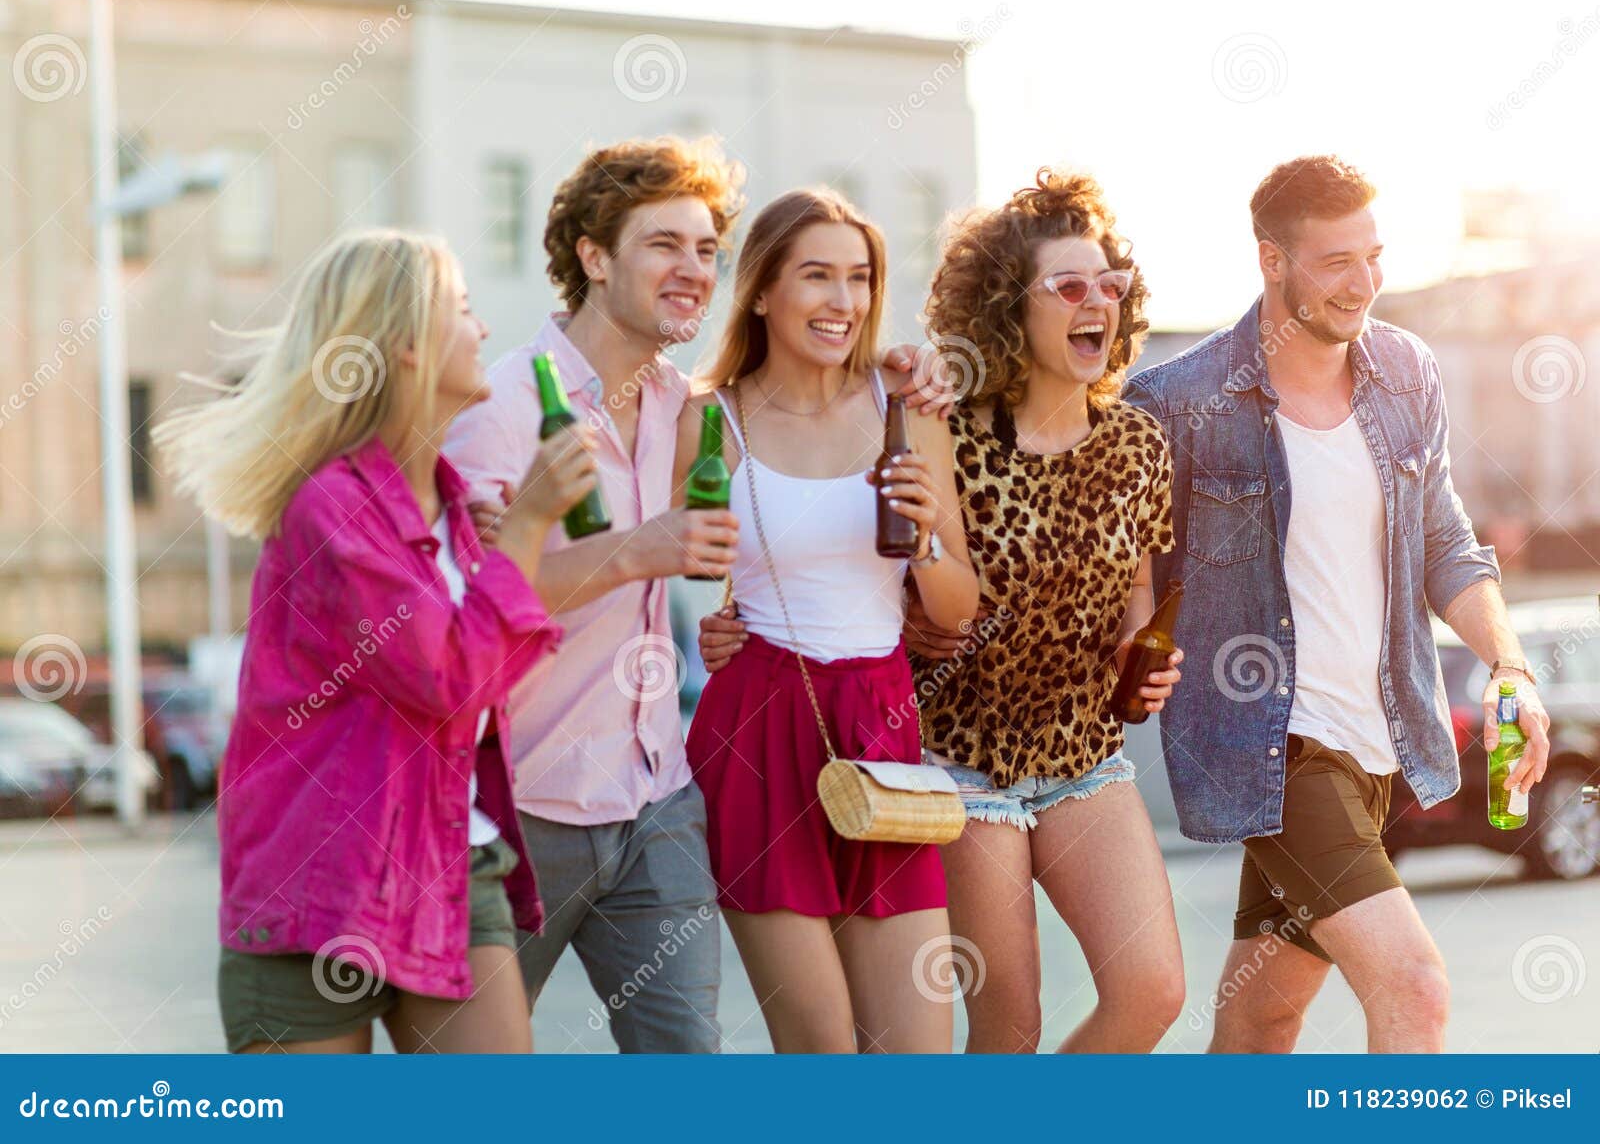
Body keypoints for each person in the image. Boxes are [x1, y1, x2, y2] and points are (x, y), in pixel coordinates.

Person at [445, 138, 947, 1051]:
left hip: (659, 792)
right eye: (663, 245)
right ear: (594, 258)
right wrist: (638, 550)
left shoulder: (684, 404)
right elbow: (472, 604)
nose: (692, 268)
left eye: (707, 247)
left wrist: (912, 369)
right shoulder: (507, 404)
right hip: (526, 802)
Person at [701, 170, 1187, 1053]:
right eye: (1070, 286)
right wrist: (733, 617)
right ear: (1009, 305)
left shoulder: (1135, 440)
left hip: (1081, 749)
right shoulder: (941, 417)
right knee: (1006, 1022)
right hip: (954, 756)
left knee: (1152, 988)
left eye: (1110, 286)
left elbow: (1136, 594)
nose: (1098, 303)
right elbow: (869, 573)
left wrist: (1140, 660)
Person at [1123, 155, 1552, 1053]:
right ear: (1272, 260)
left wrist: (1509, 661)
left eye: (1374, 256)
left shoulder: (1405, 372)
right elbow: (1125, 569)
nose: (1363, 284)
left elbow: (1446, 543)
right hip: (1273, 750)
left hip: (1380, 746)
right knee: (1415, 985)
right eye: (1335, 262)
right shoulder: (1178, 401)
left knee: (1260, 1018)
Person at [156, 229, 596, 1053]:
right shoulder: (333, 508)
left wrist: (503, 545)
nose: (485, 331)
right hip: (315, 887)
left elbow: (485, 706)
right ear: (405, 342)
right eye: (463, 310)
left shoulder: (457, 511)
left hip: (454, 867)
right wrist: (531, 526)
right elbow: (448, 676)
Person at [681, 187, 978, 1053]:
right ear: (763, 290)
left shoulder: (905, 408)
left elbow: (958, 607)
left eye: (859, 277)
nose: (843, 301)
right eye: (817, 276)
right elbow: (652, 554)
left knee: (916, 1057)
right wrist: (713, 629)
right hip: (761, 731)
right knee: (820, 1055)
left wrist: (924, 539)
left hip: (883, 732)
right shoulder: (711, 417)